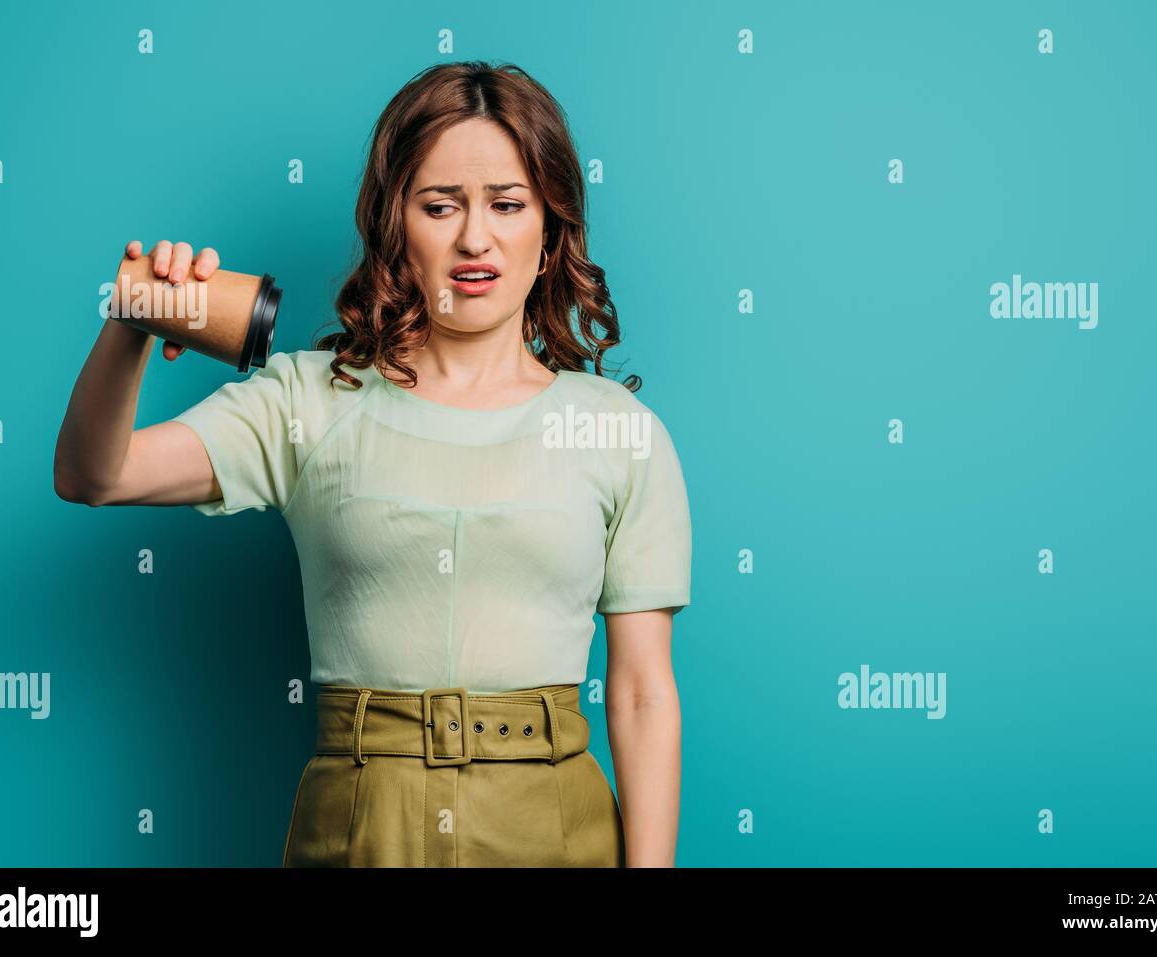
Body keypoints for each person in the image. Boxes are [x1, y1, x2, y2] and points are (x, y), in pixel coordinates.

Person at [54, 60, 691, 867]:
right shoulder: (307, 400)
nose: (474, 237)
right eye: (440, 205)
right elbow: (91, 475)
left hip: (552, 825)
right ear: (396, 226)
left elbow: (639, 694)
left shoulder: (617, 431)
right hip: (360, 827)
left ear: (550, 227)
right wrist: (132, 321)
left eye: (507, 204)